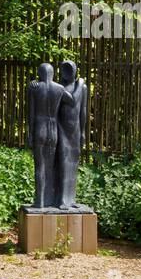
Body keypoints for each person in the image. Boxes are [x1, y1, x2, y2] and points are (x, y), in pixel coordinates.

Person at [27, 63, 67, 209]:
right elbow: (72, 101)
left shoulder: (34, 88)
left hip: (40, 129)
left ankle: (40, 201)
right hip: (53, 130)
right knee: (52, 167)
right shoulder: (60, 88)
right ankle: (54, 199)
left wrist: (30, 134)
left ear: (40, 73)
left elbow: (31, 114)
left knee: (40, 167)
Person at [56, 60, 88, 209]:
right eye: (64, 70)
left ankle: (70, 199)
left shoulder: (83, 88)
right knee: (63, 162)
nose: (66, 73)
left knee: (73, 164)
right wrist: (80, 84)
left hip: (75, 130)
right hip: (62, 128)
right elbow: (73, 100)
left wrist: (82, 132)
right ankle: (61, 199)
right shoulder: (59, 88)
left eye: (69, 69)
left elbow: (83, 110)